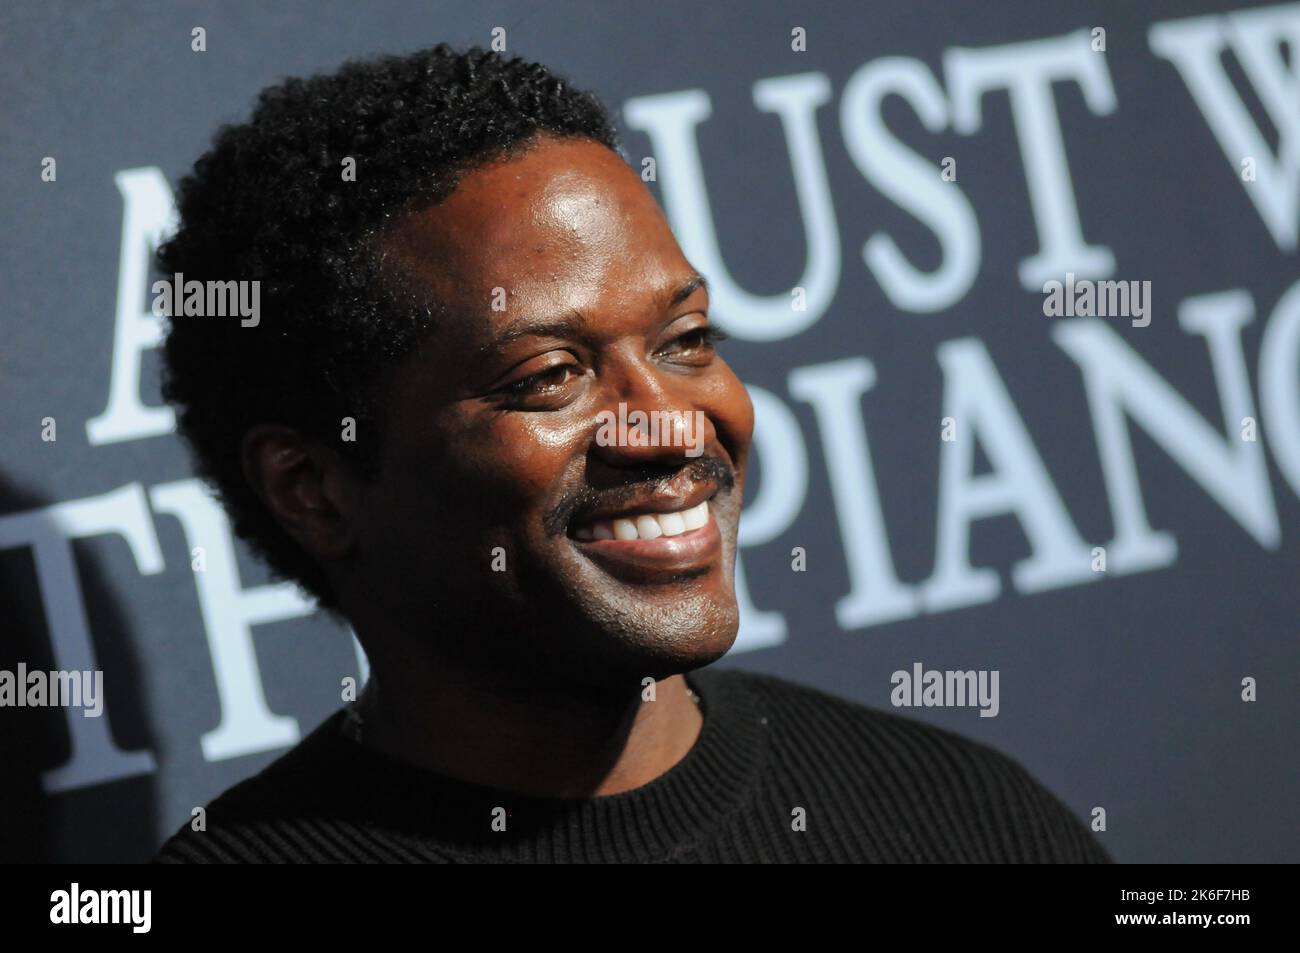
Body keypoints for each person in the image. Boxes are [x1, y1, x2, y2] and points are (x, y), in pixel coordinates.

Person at [151, 44, 1109, 863]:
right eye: (550, 376)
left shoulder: (955, 815)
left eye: (684, 339)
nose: (673, 424)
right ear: (312, 488)